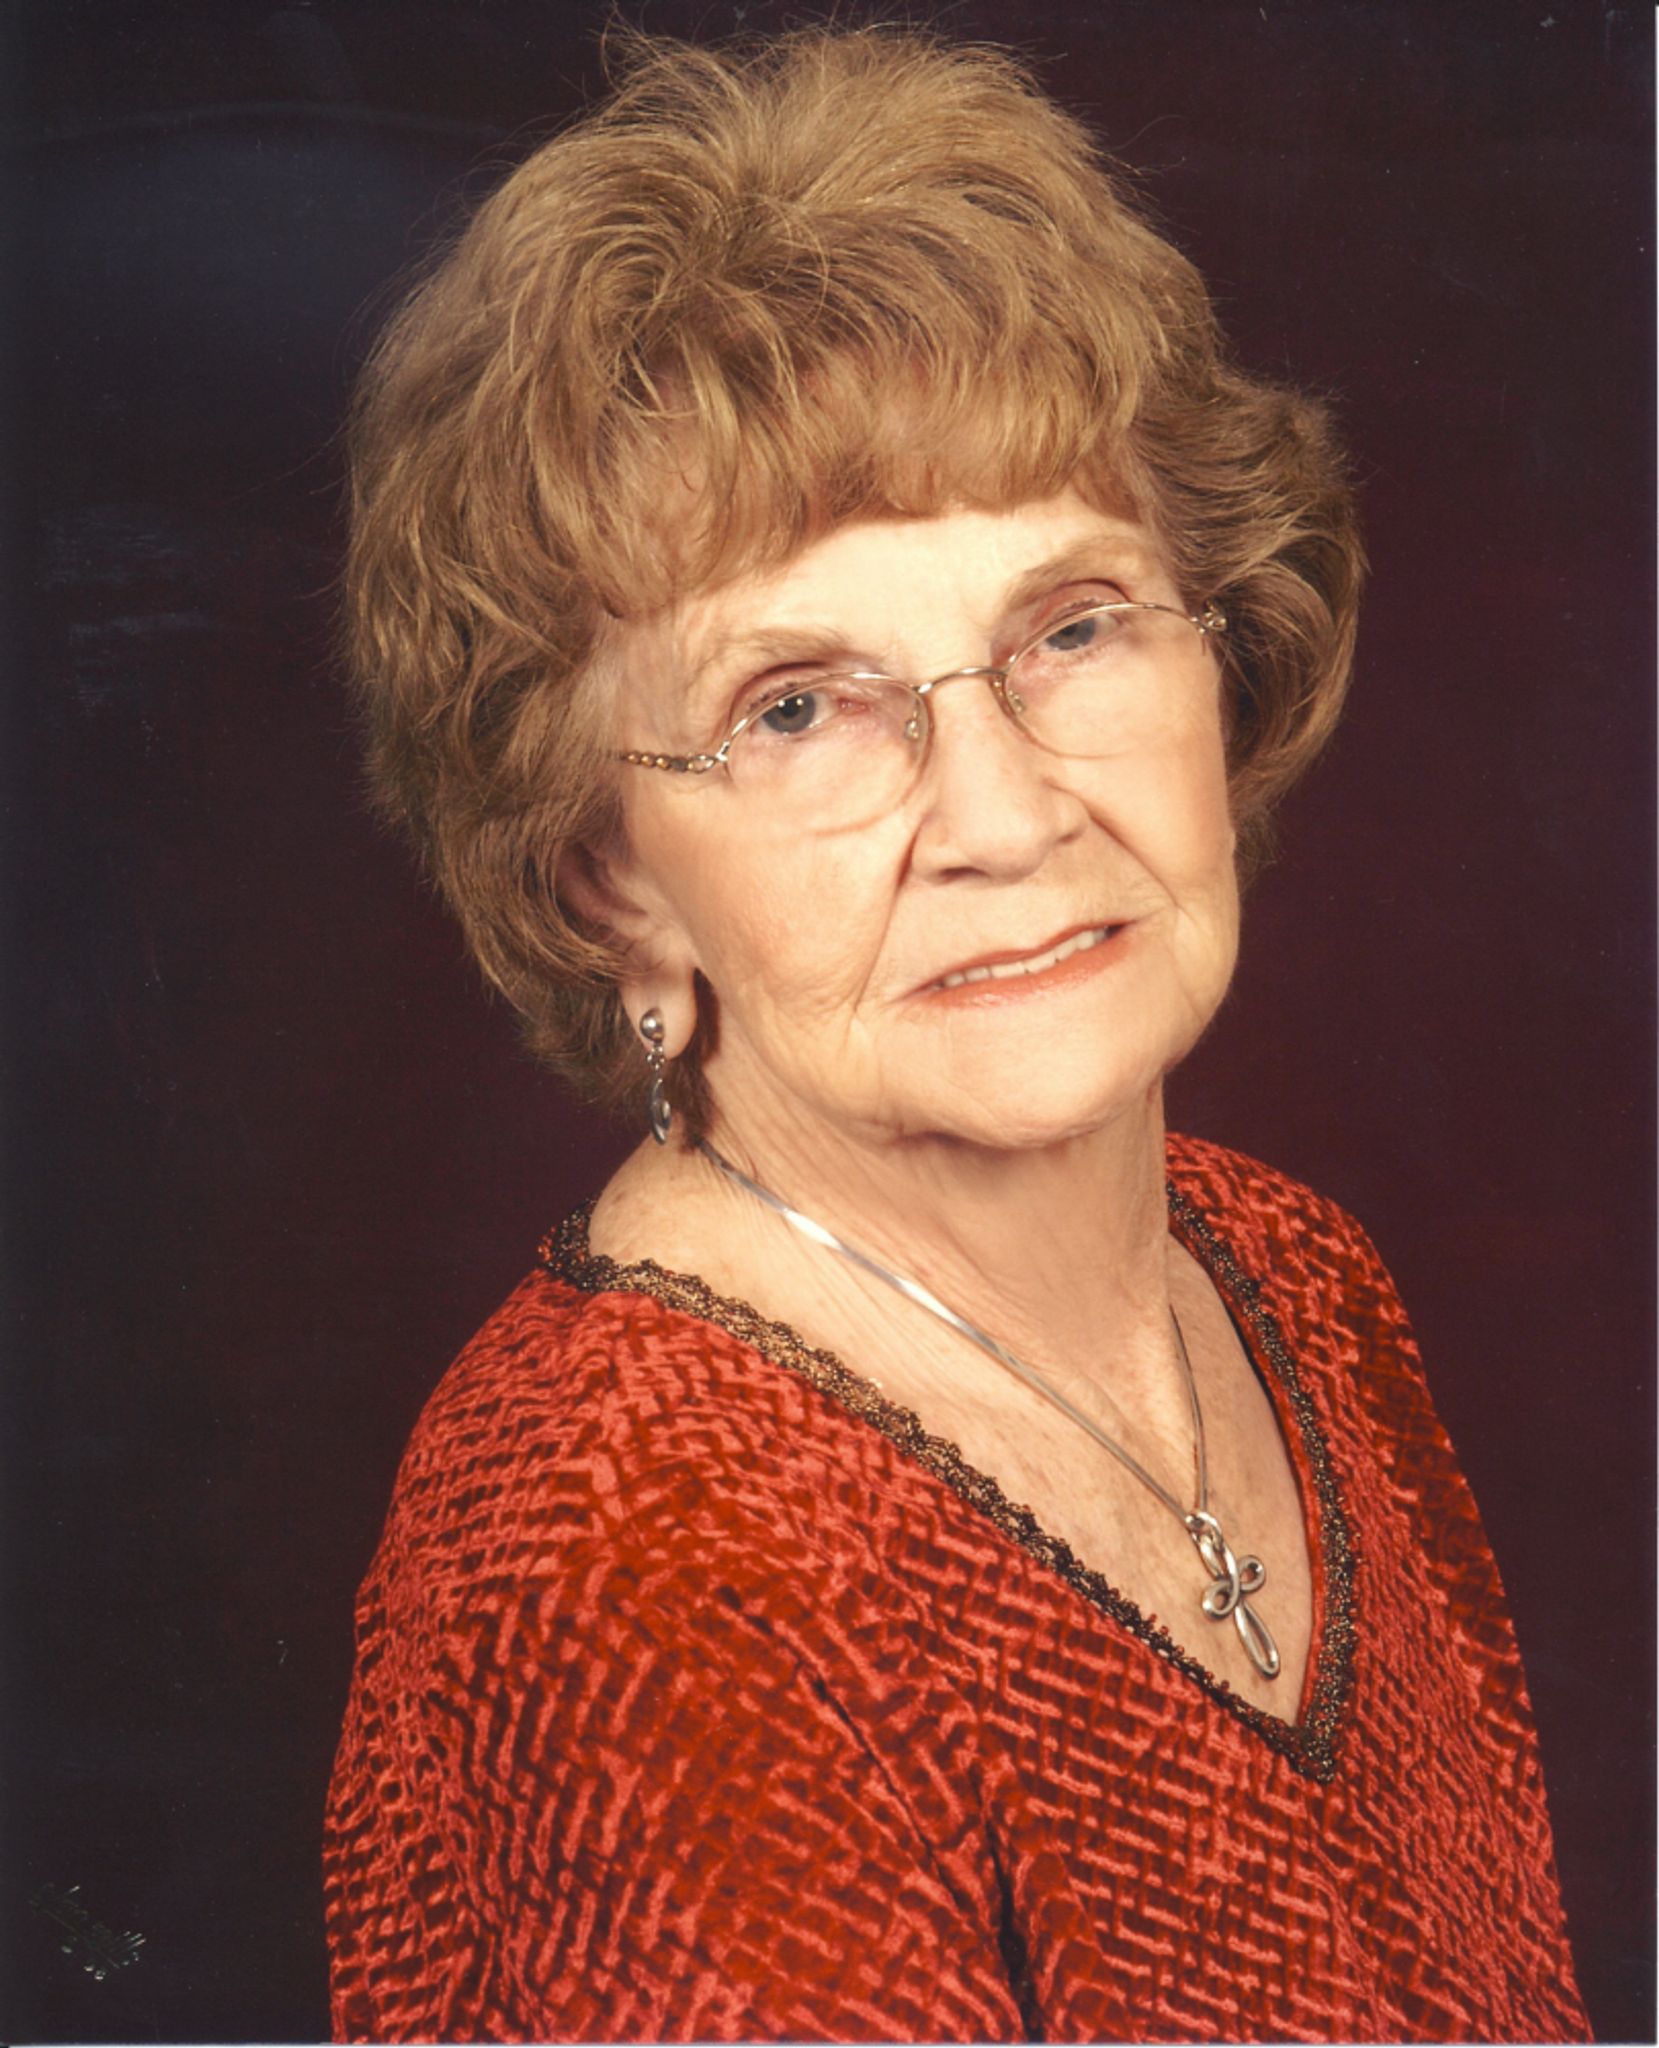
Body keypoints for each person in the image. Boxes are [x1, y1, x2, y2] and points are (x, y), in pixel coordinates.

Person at [322, 26, 1587, 2044]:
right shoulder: (637, 1548)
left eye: (1069, 626)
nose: (1000, 815)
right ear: (607, 880)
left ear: (1221, 645)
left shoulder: (1292, 1279)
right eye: (794, 707)